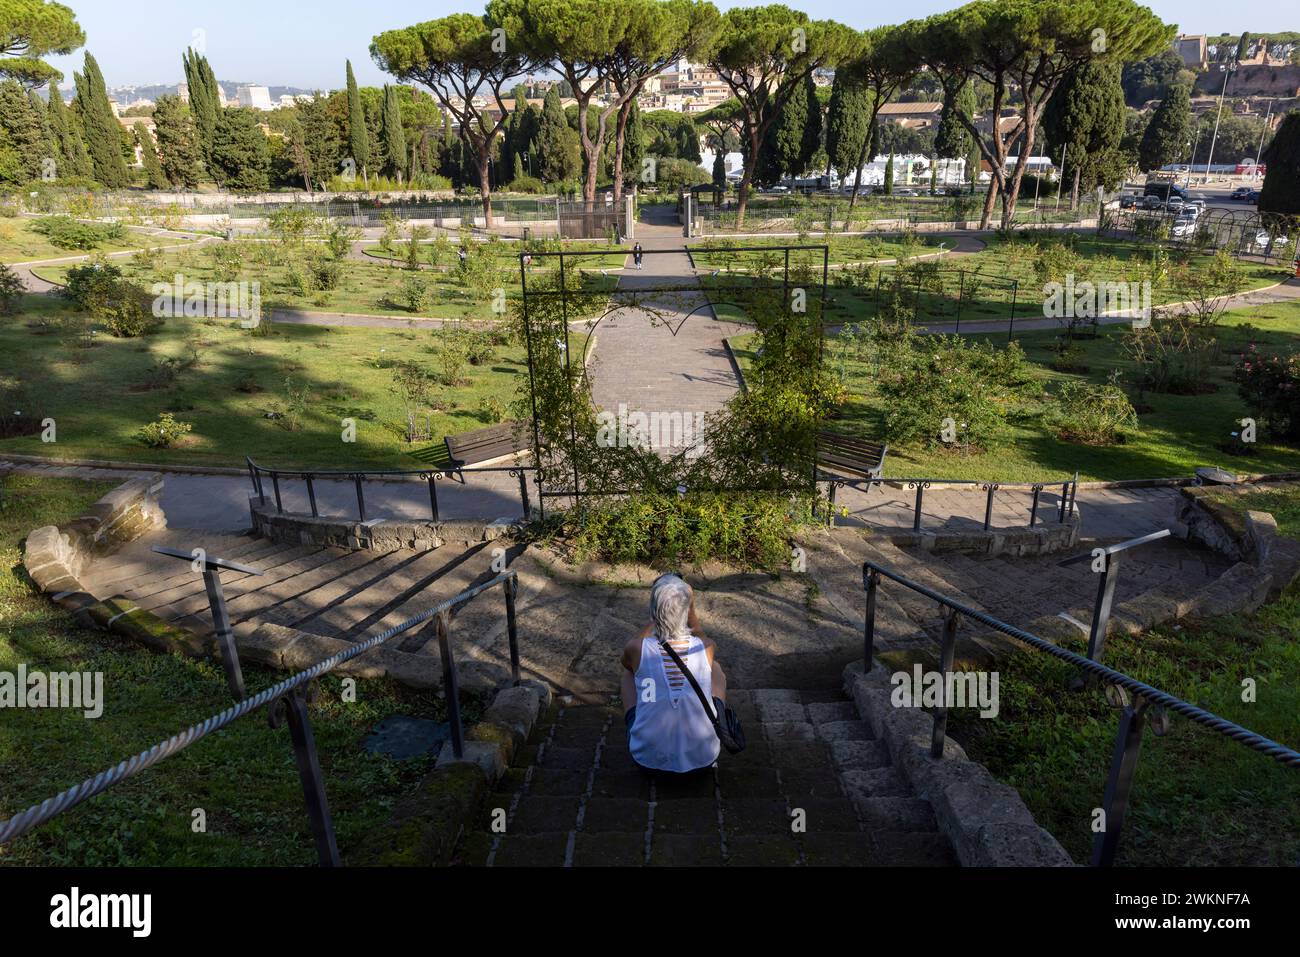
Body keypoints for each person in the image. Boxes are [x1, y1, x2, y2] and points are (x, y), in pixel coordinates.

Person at [621, 574, 726, 774]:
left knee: (629, 674)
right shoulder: (705, 647)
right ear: (686, 612)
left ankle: (637, 723)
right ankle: (719, 718)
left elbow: (629, 660)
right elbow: (700, 634)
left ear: (653, 611)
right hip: (703, 760)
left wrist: (658, 615)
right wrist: (691, 608)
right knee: (716, 670)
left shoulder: (637, 648)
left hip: (647, 760)